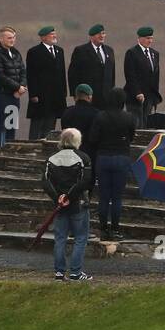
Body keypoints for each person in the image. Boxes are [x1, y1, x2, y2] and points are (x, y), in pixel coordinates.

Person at [42, 128, 93, 281]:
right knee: (80, 238)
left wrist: (58, 197)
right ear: (77, 141)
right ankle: (76, 272)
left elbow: (45, 182)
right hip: (78, 203)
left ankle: (59, 272)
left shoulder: (51, 158)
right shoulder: (83, 158)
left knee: (60, 238)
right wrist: (69, 196)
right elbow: (86, 181)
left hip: (59, 205)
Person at [88, 87, 136, 241]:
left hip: (103, 157)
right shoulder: (129, 117)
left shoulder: (100, 116)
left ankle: (103, 228)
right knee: (117, 197)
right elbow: (132, 137)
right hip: (122, 157)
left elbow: (93, 138)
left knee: (103, 196)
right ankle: (115, 228)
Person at [25, 26, 68, 140]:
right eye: (51, 34)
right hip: (41, 96)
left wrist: (64, 93)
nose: (55, 36)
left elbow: (62, 74)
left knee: (50, 128)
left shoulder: (59, 51)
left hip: (56, 97)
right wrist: (33, 94)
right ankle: (33, 150)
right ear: (43, 37)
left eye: (55, 33)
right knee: (37, 127)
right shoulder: (34, 52)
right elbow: (31, 74)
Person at [0, 26, 27, 149]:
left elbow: (23, 71)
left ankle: (9, 151)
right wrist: (17, 87)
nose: (12, 40)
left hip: (15, 96)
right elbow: (0, 76)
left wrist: (21, 87)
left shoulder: (16, 53)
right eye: (9, 38)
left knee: (12, 125)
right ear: (1, 39)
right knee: (2, 125)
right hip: (3, 95)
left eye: (14, 37)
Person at [68, 24, 115, 109]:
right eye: (98, 34)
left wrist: (112, 92)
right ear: (91, 36)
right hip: (88, 96)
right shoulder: (81, 51)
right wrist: (75, 94)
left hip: (106, 97)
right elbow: (73, 74)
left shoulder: (109, 50)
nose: (102, 36)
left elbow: (112, 73)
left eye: (103, 33)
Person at [123, 26, 162, 128]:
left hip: (149, 97)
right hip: (135, 97)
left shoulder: (155, 54)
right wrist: (137, 92)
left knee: (147, 125)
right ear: (140, 38)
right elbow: (130, 75)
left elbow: (155, 76)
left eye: (151, 38)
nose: (150, 41)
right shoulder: (132, 53)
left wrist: (155, 96)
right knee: (136, 125)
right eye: (147, 38)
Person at [61, 84, 100, 178]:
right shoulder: (96, 114)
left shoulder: (67, 112)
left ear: (76, 97)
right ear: (89, 97)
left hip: (69, 156)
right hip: (89, 156)